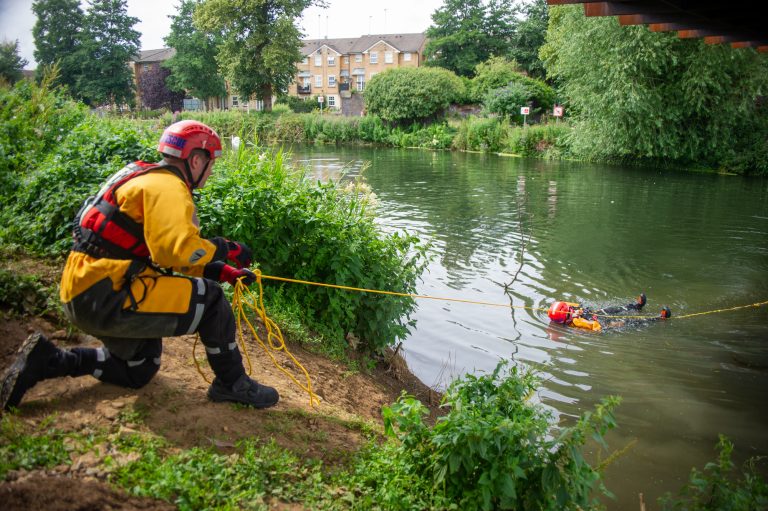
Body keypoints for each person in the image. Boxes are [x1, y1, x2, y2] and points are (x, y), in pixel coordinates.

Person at [1, 120, 279, 412]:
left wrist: (221, 270)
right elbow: (177, 252)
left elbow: (159, 250)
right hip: (107, 295)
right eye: (211, 164)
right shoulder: (170, 188)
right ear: (196, 160)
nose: (210, 171)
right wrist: (226, 248)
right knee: (211, 302)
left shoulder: (142, 174)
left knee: (140, 369)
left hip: (83, 290)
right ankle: (232, 382)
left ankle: (50, 361)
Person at [548, 293, 671, 332]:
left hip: (596, 313)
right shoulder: (576, 322)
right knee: (627, 322)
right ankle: (659, 317)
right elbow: (596, 328)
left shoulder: (567, 309)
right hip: (604, 323)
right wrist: (581, 317)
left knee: (616, 308)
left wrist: (580, 309)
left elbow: (576, 305)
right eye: (569, 313)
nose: (571, 311)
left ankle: (637, 306)